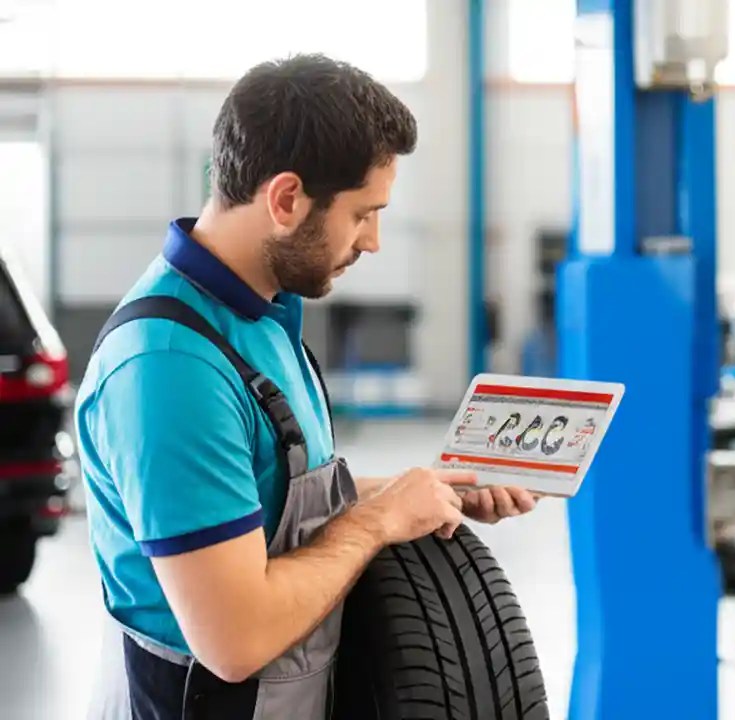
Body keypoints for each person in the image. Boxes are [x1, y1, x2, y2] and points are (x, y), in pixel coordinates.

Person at [75, 54, 538, 719]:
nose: (373, 240)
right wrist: (379, 520)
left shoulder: (259, 318)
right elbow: (234, 639)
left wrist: (430, 488)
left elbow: (272, 507)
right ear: (287, 200)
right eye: (362, 214)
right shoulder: (169, 368)